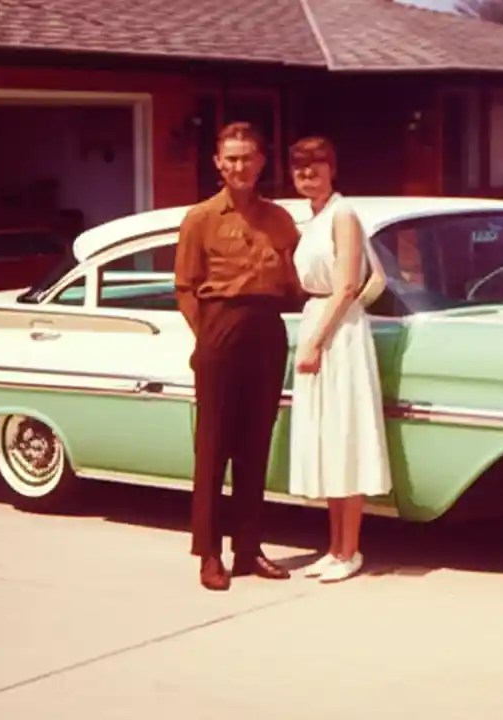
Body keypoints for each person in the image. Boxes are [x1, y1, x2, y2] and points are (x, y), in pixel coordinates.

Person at [174, 121, 302, 591]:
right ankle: (208, 553)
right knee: (213, 447)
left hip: (267, 329)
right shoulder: (201, 218)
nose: (239, 166)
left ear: (261, 162)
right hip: (219, 328)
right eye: (231, 158)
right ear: (217, 164)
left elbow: (294, 282)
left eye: (247, 157)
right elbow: (185, 287)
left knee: (255, 445)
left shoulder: (280, 220)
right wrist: (208, 336)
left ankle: (248, 549)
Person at [286, 136, 392, 583]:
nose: (308, 175)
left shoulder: (343, 214)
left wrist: (315, 343)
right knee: (328, 438)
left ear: (333, 168)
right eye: (300, 169)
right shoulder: (311, 219)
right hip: (318, 317)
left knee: (344, 435)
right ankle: (333, 548)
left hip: (339, 327)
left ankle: (350, 549)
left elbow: (347, 284)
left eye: (316, 167)